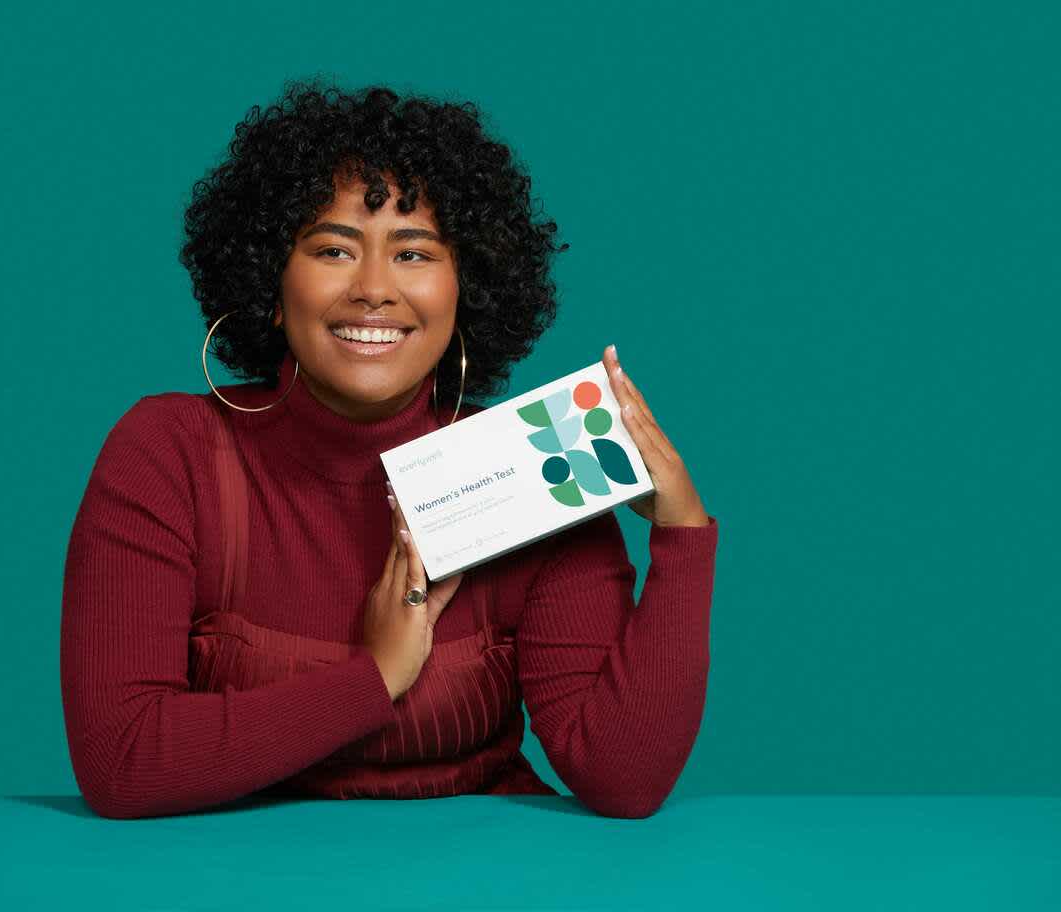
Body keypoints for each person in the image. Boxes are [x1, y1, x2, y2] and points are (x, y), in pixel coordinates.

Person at [60, 78, 719, 820]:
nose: (373, 289)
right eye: (333, 249)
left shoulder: (540, 463)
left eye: (413, 254)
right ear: (272, 287)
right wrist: (373, 677)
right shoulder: (168, 453)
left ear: (463, 288)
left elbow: (621, 779)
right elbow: (120, 761)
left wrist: (682, 538)